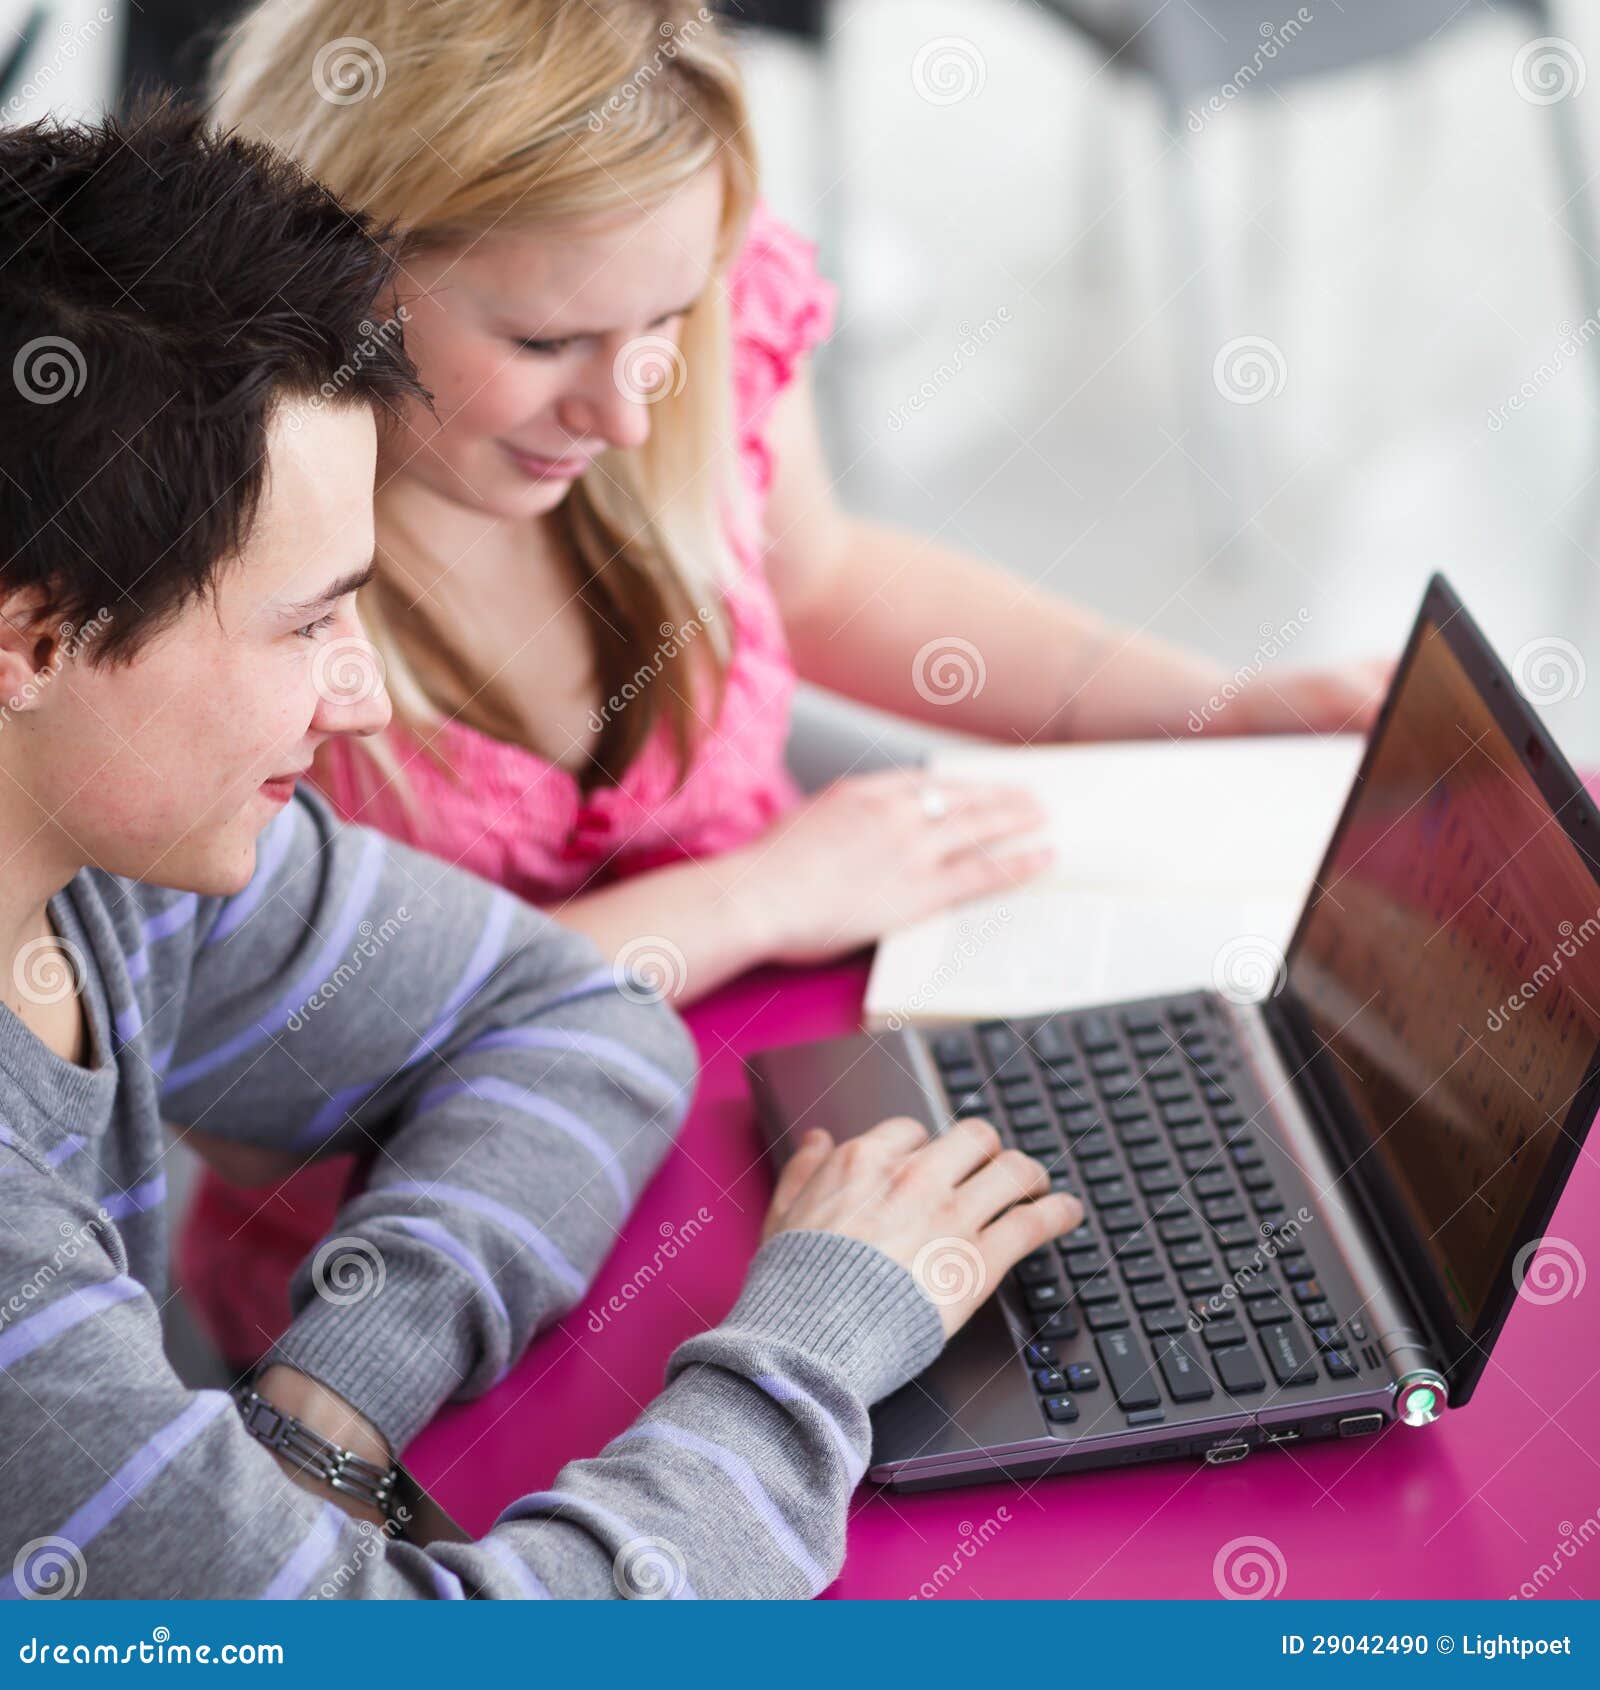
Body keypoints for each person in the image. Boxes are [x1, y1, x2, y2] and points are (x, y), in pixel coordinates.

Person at [182, 0, 1390, 1368]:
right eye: (540, 343)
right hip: (422, 1283)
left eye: (669, 315)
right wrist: (755, 895)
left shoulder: (668, 320)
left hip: (763, 1116)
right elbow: (266, 1091)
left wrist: (1204, 705)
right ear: (328, 273)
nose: (629, 410)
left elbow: (821, 584)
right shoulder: (208, 567)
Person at [0, 102, 1079, 1600]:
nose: (361, 692)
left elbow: (574, 1013)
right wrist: (812, 1344)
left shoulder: (102, 865)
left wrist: (328, 1409)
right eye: (307, 621)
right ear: (36, 637)